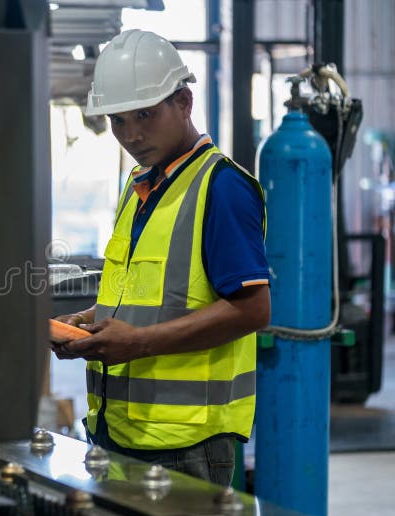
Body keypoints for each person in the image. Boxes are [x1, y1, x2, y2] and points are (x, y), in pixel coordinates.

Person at [52, 29, 271, 487]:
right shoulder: (139, 186)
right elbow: (148, 295)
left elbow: (253, 309)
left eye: (145, 115)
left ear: (185, 102)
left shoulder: (222, 187)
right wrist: (89, 320)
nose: (132, 135)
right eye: (118, 121)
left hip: (184, 446)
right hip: (118, 433)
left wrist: (139, 343)